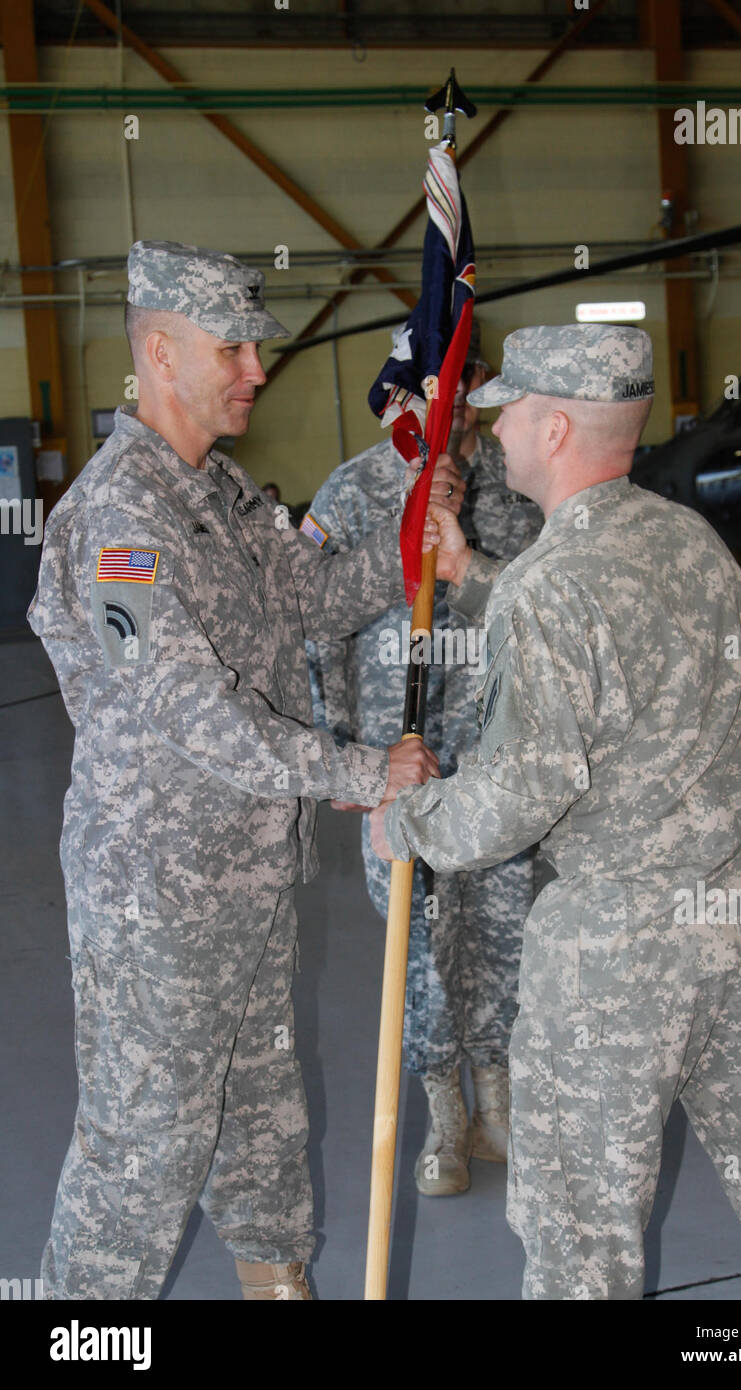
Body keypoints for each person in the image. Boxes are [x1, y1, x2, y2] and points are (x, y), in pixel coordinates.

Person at [371, 323, 741, 1298]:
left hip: (620, 954)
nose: (492, 424)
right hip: (740, 923)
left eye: (508, 407)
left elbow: (519, 793)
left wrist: (406, 821)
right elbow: (613, 636)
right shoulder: (687, 539)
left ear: (553, 428)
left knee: (575, 1231)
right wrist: (471, 574)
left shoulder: (552, 586)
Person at [27, 239, 452, 1301]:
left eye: (256, 345)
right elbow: (189, 714)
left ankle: (277, 1286)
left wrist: (410, 548)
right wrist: (360, 772)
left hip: (251, 878)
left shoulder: (217, 491)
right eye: (235, 346)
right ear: (161, 353)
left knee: (263, 1111)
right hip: (159, 894)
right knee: (145, 1143)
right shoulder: (122, 519)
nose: (258, 367)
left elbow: (309, 599)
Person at [306, 326, 543, 1195]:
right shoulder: (357, 488)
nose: (460, 402)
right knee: (421, 940)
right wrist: (341, 751)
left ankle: (497, 1100)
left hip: (500, 759)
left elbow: (543, 613)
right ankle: (441, 1120)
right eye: (444, 383)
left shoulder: (515, 493)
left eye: (470, 382)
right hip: (400, 760)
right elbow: (312, 625)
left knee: (505, 929)